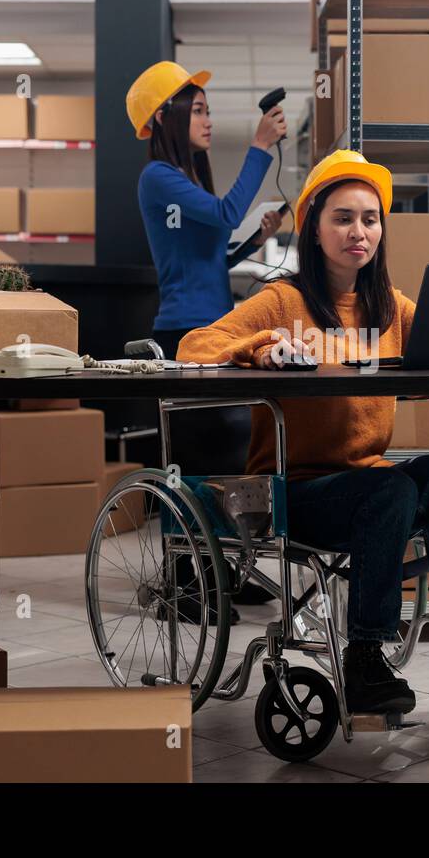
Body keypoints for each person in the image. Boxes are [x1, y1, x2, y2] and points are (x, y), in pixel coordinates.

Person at [178, 151, 429, 714]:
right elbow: (194, 346)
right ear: (314, 228)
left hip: (368, 491)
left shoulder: (391, 308)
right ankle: (366, 657)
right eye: (343, 218)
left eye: (370, 219)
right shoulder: (281, 300)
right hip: (293, 492)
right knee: (392, 487)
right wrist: (263, 349)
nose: (359, 231)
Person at [127, 60, 288, 608]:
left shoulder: (182, 179)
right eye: (197, 110)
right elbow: (223, 214)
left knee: (227, 460)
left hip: (213, 334)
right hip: (184, 335)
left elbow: (209, 255)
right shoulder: (159, 178)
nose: (208, 119)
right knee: (194, 466)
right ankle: (188, 584)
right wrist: (262, 147)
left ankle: (225, 570)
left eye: (208, 110)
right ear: (167, 116)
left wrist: (254, 240)